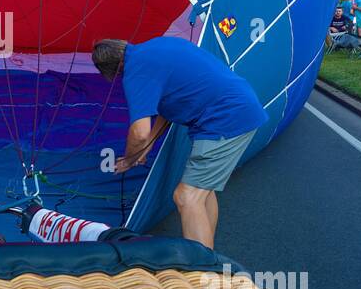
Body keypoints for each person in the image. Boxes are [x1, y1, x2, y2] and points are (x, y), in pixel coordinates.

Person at [91, 36, 266, 250]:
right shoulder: (158, 46)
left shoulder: (136, 70)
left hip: (225, 120)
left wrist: (129, 159)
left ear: (116, 68)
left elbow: (140, 132)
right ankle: (207, 252)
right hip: (241, 108)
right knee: (203, 192)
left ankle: (202, 272)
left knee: (186, 196)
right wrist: (147, 148)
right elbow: (166, 110)